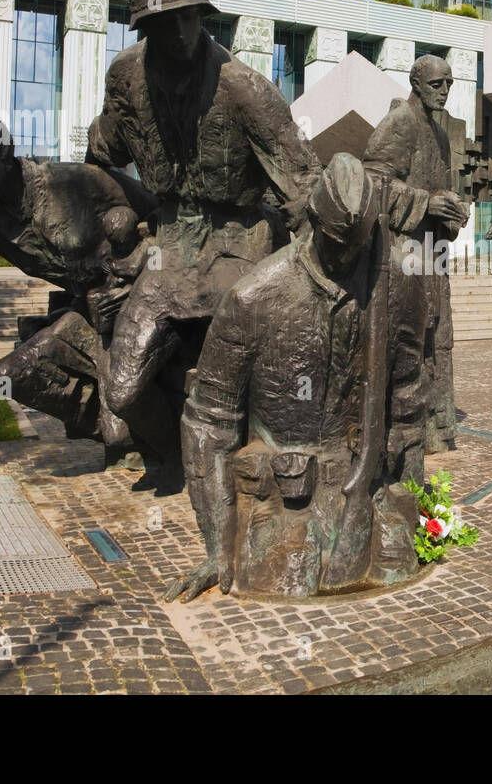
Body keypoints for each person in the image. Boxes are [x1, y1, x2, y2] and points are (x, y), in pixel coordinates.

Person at [85, 0, 321, 493]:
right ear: (144, 28)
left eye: (190, 16)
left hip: (240, 244)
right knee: (121, 392)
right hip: (169, 248)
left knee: (244, 371)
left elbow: (303, 187)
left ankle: (231, 470)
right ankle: (170, 458)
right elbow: (107, 150)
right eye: (165, 22)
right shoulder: (126, 75)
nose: (182, 31)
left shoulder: (244, 89)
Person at [167, 154, 425, 600]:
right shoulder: (253, 298)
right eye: (335, 242)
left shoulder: (399, 280)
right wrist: (218, 547)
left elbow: (407, 394)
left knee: (395, 552)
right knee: (290, 571)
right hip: (278, 498)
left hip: (365, 487)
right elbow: (209, 425)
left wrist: (413, 492)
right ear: (311, 221)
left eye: (357, 244)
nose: (345, 257)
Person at [0, 117, 157, 467]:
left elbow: (159, 215)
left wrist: (140, 270)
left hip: (142, 297)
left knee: (128, 410)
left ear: (6, 157)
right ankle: (114, 425)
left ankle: (140, 437)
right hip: (89, 312)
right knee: (7, 376)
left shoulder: (75, 180)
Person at [362, 55, 468, 453]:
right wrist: (425, 203)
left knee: (437, 332)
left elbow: (441, 191)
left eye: (449, 84)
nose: (444, 91)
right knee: (407, 333)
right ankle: (400, 426)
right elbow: (371, 183)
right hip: (403, 248)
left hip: (433, 249)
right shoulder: (399, 123)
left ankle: (435, 425)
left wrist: (453, 208)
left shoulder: (440, 135)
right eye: (437, 84)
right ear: (416, 84)